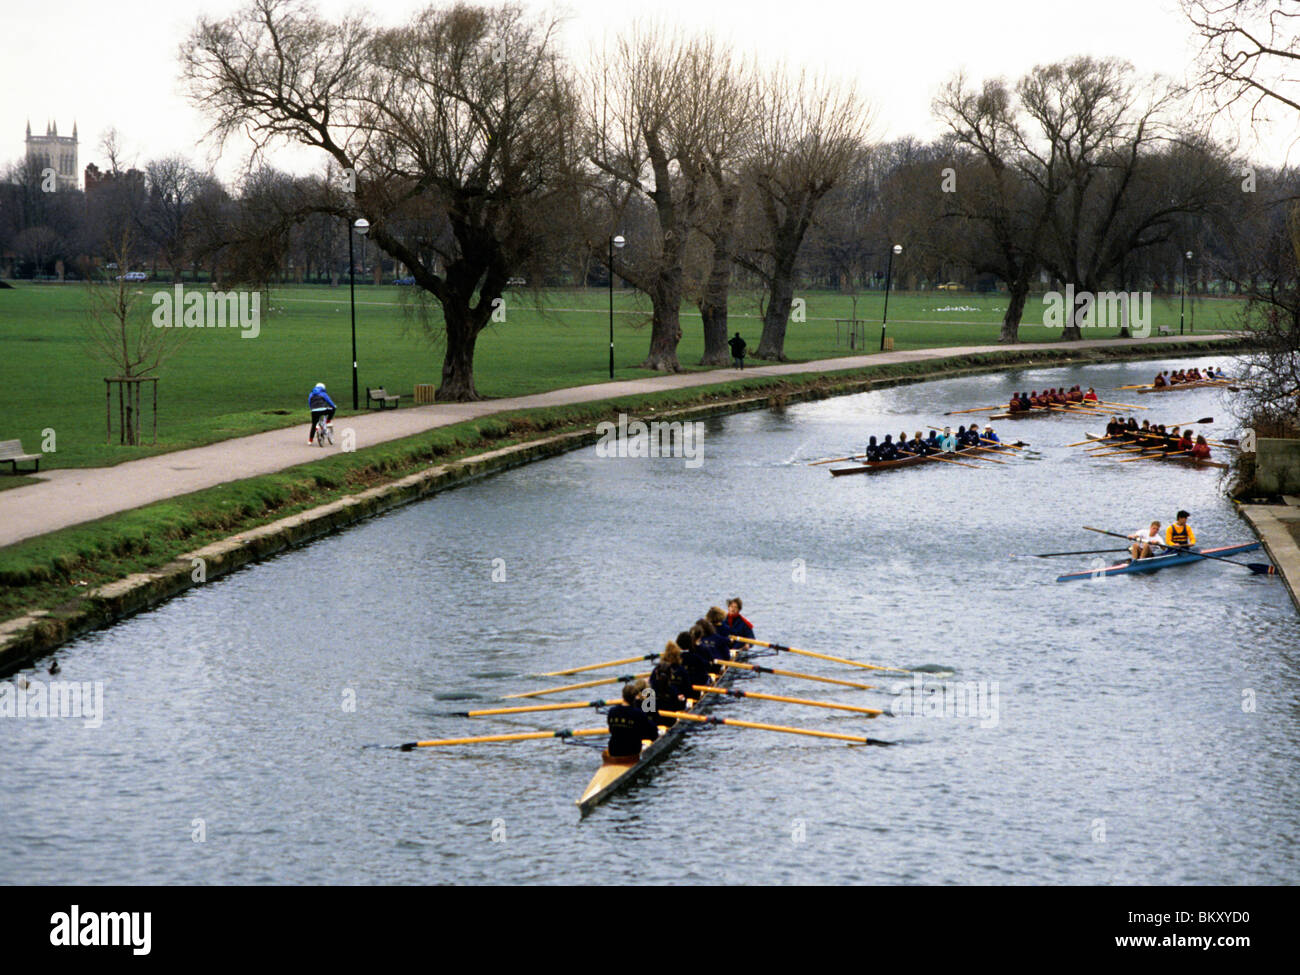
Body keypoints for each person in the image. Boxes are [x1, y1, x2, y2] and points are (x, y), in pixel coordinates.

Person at [605, 679, 659, 759]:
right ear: (635, 697)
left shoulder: (612, 711)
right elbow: (654, 733)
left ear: (622, 696)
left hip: (613, 750)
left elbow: (611, 730)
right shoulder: (639, 713)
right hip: (632, 751)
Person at [648, 644, 689, 726]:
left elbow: (646, 708)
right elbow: (688, 691)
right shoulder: (673, 690)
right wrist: (683, 699)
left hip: (654, 720)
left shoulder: (650, 689)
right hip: (669, 720)